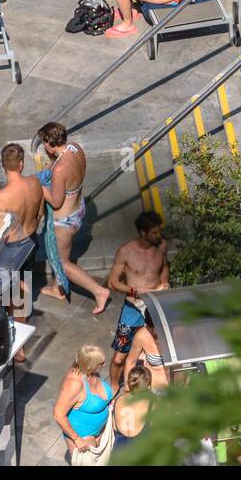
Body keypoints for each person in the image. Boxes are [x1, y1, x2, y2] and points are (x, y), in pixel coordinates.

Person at [37, 122, 111, 313]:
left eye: (43, 143)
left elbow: (55, 201)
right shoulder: (75, 148)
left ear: (48, 142)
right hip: (78, 208)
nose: (43, 147)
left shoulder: (60, 169)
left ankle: (99, 291)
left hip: (64, 220)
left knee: (63, 262)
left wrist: (41, 188)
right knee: (59, 254)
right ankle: (56, 287)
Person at [0, 144, 45, 360]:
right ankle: (20, 346)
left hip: (10, 249)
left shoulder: (1, 197)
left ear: (4, 166)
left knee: (6, 296)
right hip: (30, 242)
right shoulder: (35, 183)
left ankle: (5, 339)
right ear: (21, 164)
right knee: (23, 294)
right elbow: (40, 213)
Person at [108, 210, 170, 390]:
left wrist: (165, 282)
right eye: (154, 233)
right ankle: (113, 385)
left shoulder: (161, 246)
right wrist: (136, 290)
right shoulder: (126, 251)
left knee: (159, 348)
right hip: (133, 307)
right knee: (119, 357)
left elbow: (165, 267)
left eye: (159, 231)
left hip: (156, 304)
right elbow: (113, 282)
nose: (159, 236)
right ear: (143, 232)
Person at [54, 345, 114, 465]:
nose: (104, 364)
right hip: (84, 436)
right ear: (90, 365)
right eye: (100, 363)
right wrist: (77, 439)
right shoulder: (74, 383)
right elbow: (58, 415)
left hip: (100, 431)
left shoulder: (92, 374)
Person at [123, 308, 169, 392]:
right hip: (154, 390)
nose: (154, 333)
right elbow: (130, 361)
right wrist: (127, 389)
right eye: (150, 327)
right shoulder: (142, 335)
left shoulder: (179, 332)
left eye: (159, 328)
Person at [112, 365, 155, 455]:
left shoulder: (118, 400)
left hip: (119, 452)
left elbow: (115, 427)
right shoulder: (151, 402)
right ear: (147, 384)